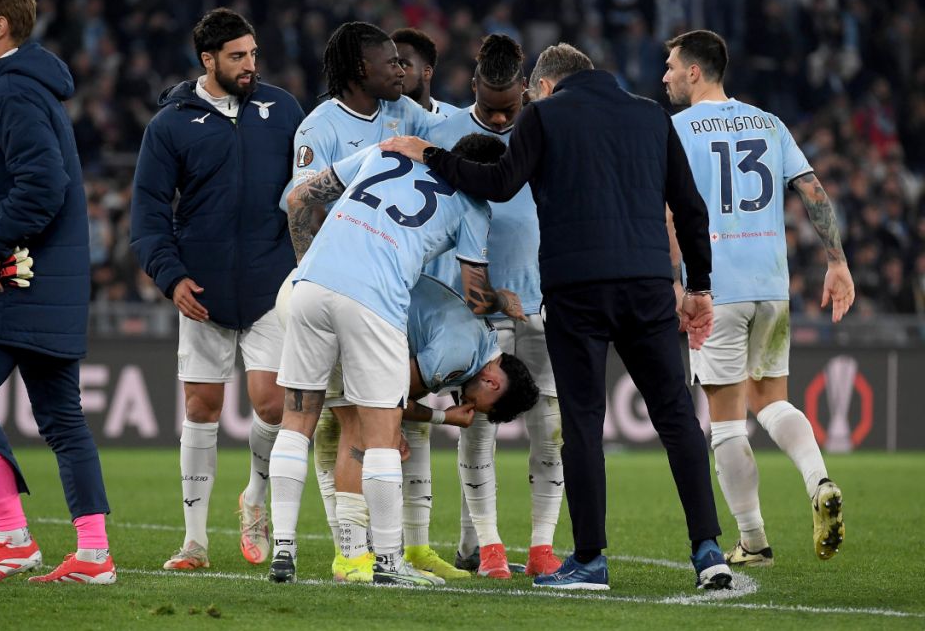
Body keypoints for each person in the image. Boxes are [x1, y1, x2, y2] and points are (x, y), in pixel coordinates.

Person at [382, 43, 733, 591]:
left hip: (576, 292)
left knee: (584, 424)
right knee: (677, 418)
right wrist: (700, 287)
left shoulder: (545, 114)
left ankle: (590, 561)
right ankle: (709, 551)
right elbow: (689, 206)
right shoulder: (650, 115)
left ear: (543, 85)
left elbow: (499, 182)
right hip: (646, 285)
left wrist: (431, 155)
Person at [268, 133, 522, 587]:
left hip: (307, 283)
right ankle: (388, 561)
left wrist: (311, 262)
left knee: (296, 419)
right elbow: (477, 297)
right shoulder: (474, 207)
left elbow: (298, 198)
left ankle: (283, 552)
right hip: (372, 299)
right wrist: (505, 298)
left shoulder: (387, 151)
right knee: (382, 433)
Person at [0, 0, 115, 584]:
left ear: (1, 28)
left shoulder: (11, 92)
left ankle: (14, 537)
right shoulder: (17, 88)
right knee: (63, 418)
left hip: (19, 281)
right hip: (40, 280)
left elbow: (42, 184)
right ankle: (93, 554)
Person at [662, 29, 853, 566]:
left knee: (724, 418)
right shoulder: (769, 123)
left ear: (695, 71)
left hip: (714, 288)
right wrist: (837, 262)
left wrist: (677, 282)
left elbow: (671, 213)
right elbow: (812, 190)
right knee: (771, 399)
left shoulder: (675, 130)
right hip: (772, 285)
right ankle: (819, 481)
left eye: (671, 66)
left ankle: (753, 540)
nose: (666, 76)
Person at [130, 8, 305, 571]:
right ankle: (195, 542)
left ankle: (254, 497)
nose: (250, 65)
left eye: (253, 54)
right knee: (202, 406)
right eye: (237, 57)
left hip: (271, 285)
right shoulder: (171, 125)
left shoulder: (284, 111)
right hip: (200, 290)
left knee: (272, 403)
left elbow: (309, 192)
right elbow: (149, 215)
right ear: (208, 60)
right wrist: (170, 276)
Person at [279, 21, 444, 580]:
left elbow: (455, 140)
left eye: (405, 63)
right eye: (392, 62)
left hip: (384, 288)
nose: (403, 70)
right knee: (343, 421)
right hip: (337, 284)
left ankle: (378, 549)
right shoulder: (319, 126)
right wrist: (315, 268)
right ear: (358, 71)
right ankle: (352, 551)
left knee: (368, 422)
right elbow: (300, 203)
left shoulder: (406, 114)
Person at [273, 271, 540, 583]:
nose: (469, 405)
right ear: (492, 382)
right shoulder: (460, 351)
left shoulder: (481, 339)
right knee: (359, 428)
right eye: (481, 406)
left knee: (326, 423)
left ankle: (305, 549)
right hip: (335, 305)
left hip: (315, 293)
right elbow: (390, 400)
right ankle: (352, 557)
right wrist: (444, 417)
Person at [424, 34, 565, 579]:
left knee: (548, 425)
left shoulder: (548, 129)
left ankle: (542, 546)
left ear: (526, 89)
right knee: (478, 425)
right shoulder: (441, 132)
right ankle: (488, 548)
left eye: (513, 108)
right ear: (474, 83)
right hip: (471, 310)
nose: (504, 120)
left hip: (540, 302)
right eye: (493, 108)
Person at [391, 27, 459, 117]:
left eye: (403, 65)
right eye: (392, 65)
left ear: (427, 73)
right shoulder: (372, 119)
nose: (396, 72)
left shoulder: (458, 121)